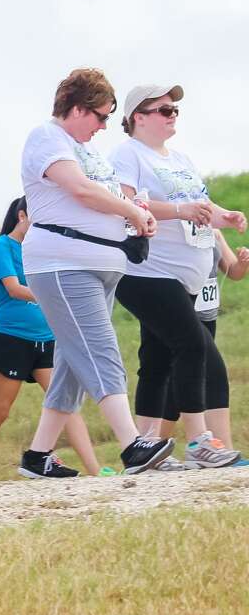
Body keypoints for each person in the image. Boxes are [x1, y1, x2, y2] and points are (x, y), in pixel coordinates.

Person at [16, 67, 173, 478]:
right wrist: (133, 212)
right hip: (62, 265)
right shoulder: (47, 138)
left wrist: (138, 216)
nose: (104, 126)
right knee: (101, 351)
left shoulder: (85, 147)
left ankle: (38, 456)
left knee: (72, 360)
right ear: (77, 108)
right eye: (101, 116)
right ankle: (131, 444)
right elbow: (82, 191)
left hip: (98, 263)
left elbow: (107, 194)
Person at [111, 84, 244, 468]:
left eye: (175, 111)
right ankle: (200, 441)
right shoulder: (127, 153)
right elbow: (125, 201)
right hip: (147, 270)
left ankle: (146, 449)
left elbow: (201, 206)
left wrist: (226, 216)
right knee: (193, 345)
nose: (172, 115)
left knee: (157, 360)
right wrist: (179, 209)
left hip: (184, 277)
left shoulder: (181, 158)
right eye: (164, 110)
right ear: (139, 116)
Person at [0, 198, 108, 483]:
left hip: (47, 338)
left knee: (65, 403)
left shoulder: (42, 250)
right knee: (0, 411)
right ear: (22, 215)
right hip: (11, 339)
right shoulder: (1, 246)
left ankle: (96, 470)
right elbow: (14, 288)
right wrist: (51, 295)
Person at [151, 233, 249, 461]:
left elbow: (233, 271)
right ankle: (223, 448)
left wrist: (243, 263)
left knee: (177, 390)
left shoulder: (213, 232)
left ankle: (151, 449)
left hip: (207, 316)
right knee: (214, 373)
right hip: (182, 315)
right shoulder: (175, 229)